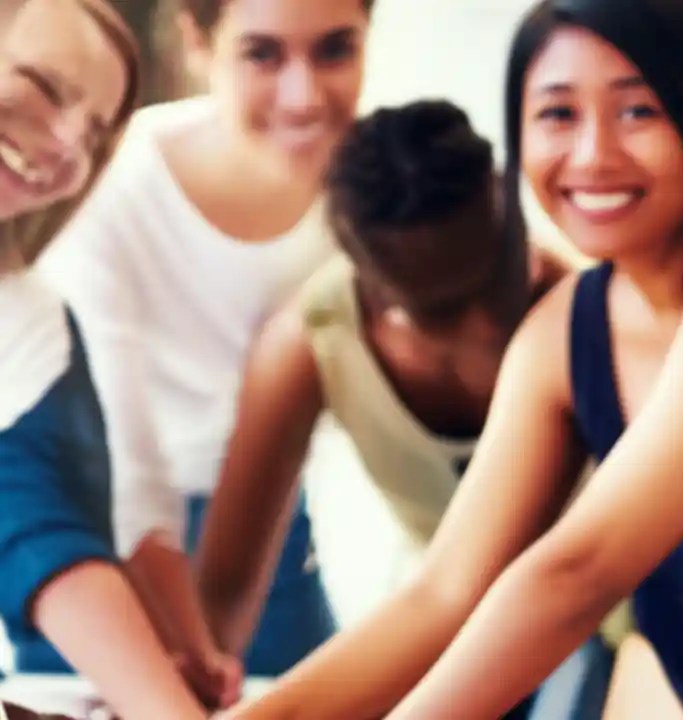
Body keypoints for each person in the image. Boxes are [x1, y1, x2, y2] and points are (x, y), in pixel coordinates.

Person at [231, 1, 683, 718]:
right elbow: (445, 593)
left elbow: (579, 570)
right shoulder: (562, 333)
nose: (592, 155)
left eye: (637, 112)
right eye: (557, 115)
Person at [195, 98, 611, 718]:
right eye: (442, 311)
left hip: (600, 631)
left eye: (496, 273)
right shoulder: (312, 342)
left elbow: (573, 581)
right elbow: (224, 597)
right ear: (372, 289)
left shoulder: (591, 319)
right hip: (444, 633)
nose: (485, 325)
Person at [37, 0, 373, 679]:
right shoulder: (113, 177)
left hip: (275, 526)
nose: (304, 97)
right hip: (111, 534)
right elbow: (127, 458)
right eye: (263, 54)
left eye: (335, 50)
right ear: (197, 41)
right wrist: (195, 650)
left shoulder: (383, 185)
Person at [0, 0, 211, 716]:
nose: (66, 145)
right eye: (46, 87)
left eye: (94, 132)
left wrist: (164, 689)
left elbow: (45, 525)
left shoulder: (30, 328)